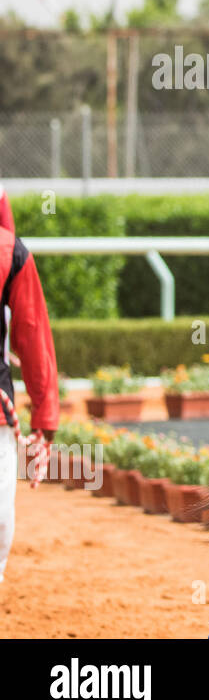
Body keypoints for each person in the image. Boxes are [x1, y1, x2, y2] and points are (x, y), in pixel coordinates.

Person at [0, 195, 60, 583]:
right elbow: (32, 333)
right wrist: (45, 416)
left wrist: (45, 411)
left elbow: (31, 332)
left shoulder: (10, 253)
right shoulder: (10, 251)